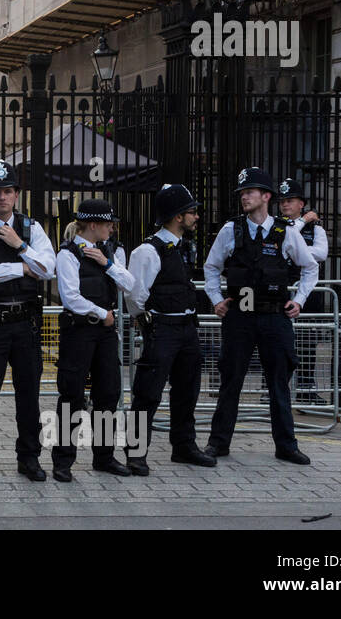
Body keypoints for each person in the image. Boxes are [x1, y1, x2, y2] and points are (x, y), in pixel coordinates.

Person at [203, 167, 318, 466]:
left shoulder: (286, 231)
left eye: (250, 192)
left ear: (266, 196)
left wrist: (300, 300)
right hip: (239, 317)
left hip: (273, 317)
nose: (244, 197)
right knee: (231, 381)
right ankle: (218, 443)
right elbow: (211, 268)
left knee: (279, 382)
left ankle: (286, 446)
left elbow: (310, 267)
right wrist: (216, 300)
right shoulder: (231, 230)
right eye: (242, 192)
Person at [0, 159, 56, 483]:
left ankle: (29, 457)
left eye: (8, 190)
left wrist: (20, 246)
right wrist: (24, 266)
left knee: (28, 393)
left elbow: (50, 268)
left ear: (17, 194)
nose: (2, 197)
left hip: (27, 323)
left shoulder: (31, 229)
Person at [123, 184, 216, 476]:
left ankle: (184, 446)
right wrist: (147, 321)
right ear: (177, 216)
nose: (196, 217)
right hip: (162, 329)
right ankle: (136, 454)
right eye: (192, 212)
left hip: (187, 328)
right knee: (148, 393)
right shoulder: (147, 251)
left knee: (187, 391)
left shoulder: (182, 247)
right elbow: (135, 297)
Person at [50, 199, 136, 482]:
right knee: (71, 395)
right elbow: (70, 297)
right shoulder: (68, 253)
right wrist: (103, 313)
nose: (112, 228)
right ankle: (63, 461)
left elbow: (130, 283)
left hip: (105, 334)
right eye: (108, 224)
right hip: (79, 331)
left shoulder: (114, 250)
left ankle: (104, 456)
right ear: (94, 225)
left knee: (108, 394)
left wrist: (107, 263)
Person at [274, 178, 330, 404]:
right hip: (280, 287)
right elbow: (278, 246)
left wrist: (295, 249)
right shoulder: (274, 225)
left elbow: (321, 253)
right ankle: (271, 389)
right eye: (282, 201)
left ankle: (306, 389)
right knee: (276, 341)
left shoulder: (316, 228)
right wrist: (300, 227)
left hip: (305, 290)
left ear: (301, 204)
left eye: (290, 200)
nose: (285, 205)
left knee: (307, 341)